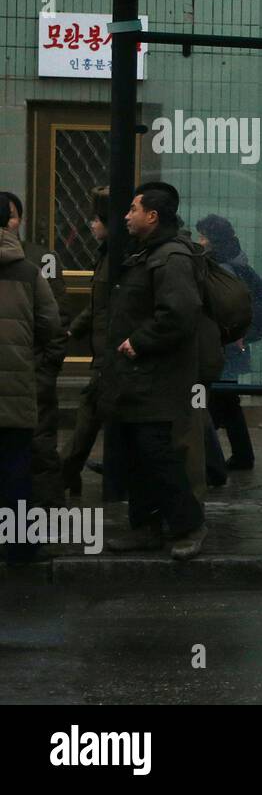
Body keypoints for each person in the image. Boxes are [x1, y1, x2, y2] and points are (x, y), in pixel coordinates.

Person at [101, 182, 208, 560]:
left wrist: (139, 342)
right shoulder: (145, 254)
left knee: (158, 455)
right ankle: (145, 527)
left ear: (153, 216)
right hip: (135, 378)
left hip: (156, 378)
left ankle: (187, 525)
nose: (126, 216)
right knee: (137, 456)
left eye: (133, 209)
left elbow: (179, 314)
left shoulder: (170, 257)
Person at [0, 195, 65, 565]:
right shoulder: (28, 271)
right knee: (15, 466)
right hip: (17, 386)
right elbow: (51, 324)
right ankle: (21, 547)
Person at [194, 214, 262, 484]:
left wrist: (237, 335)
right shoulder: (238, 263)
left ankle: (211, 464)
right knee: (228, 401)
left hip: (223, 347)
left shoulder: (221, 268)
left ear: (214, 240)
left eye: (203, 236)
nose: (200, 240)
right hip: (232, 346)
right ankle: (242, 455)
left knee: (212, 405)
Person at [61, 187, 112, 498]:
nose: (91, 225)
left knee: (90, 412)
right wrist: (74, 331)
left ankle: (64, 473)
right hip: (106, 353)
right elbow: (97, 304)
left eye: (95, 219)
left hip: (112, 355)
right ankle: (66, 473)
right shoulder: (106, 255)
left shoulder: (115, 256)